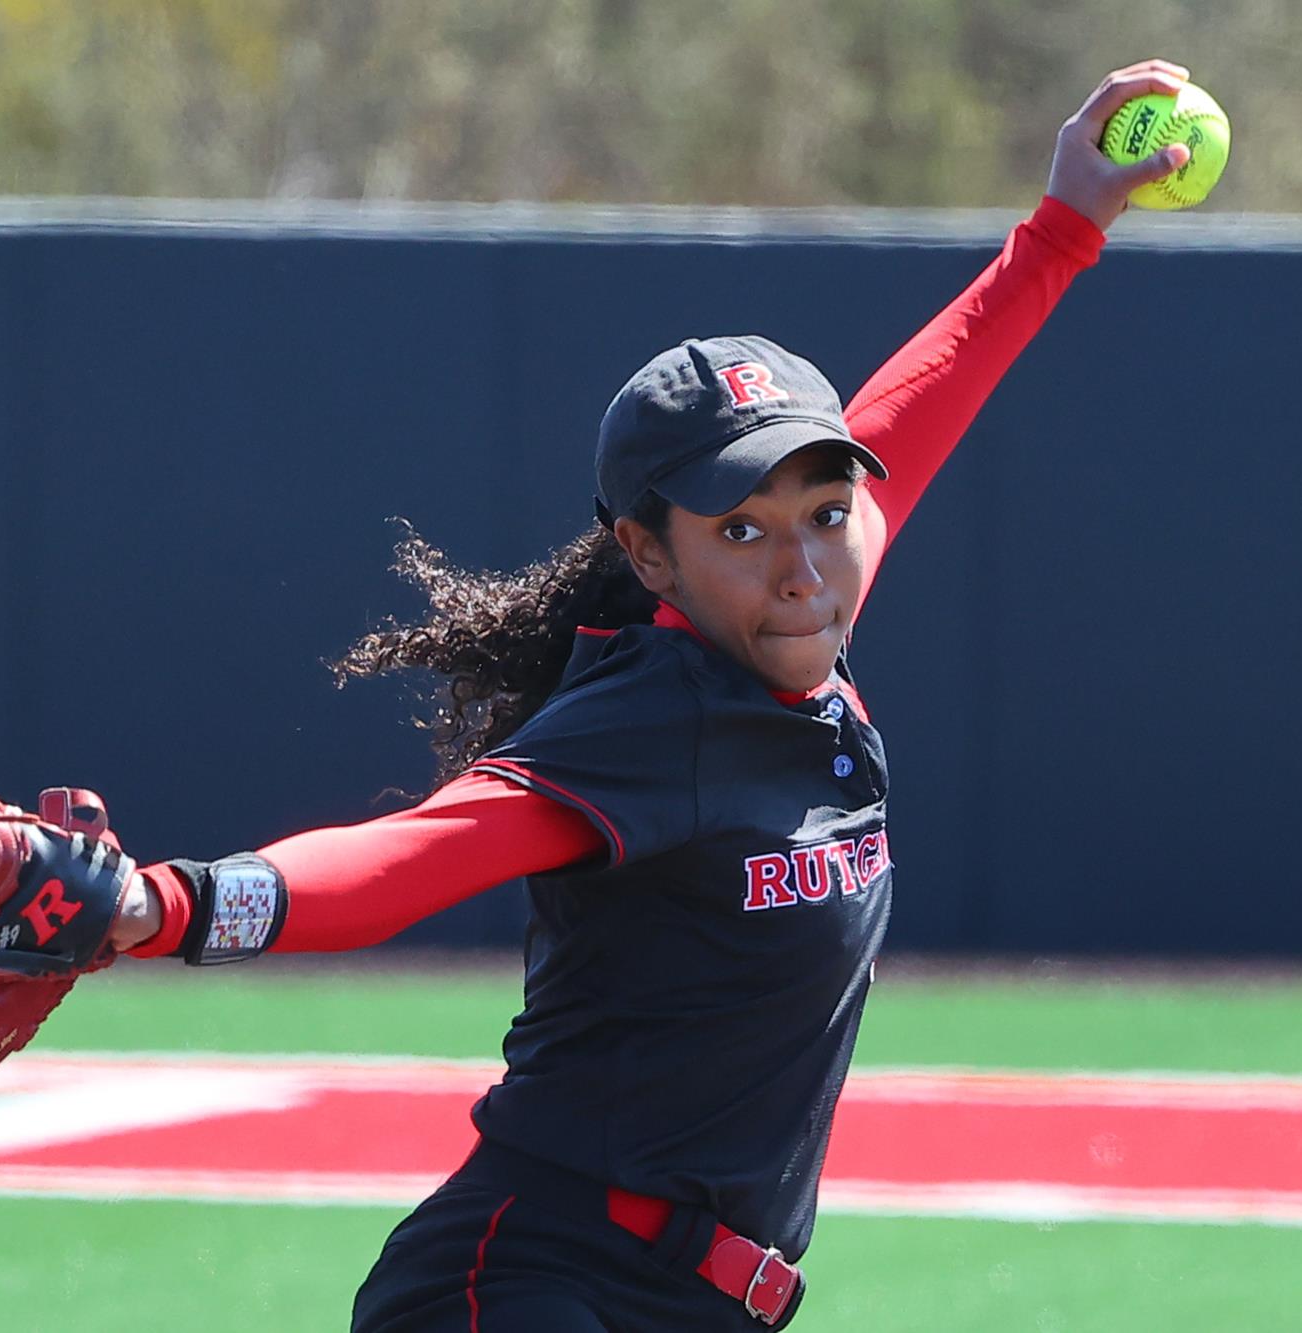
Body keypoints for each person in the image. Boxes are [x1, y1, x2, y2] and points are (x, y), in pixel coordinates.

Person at [104, 59, 1198, 1332]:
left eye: (825, 511)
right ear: (647, 551)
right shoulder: (651, 720)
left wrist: (1063, 228)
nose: (798, 562)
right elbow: (406, 861)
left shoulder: (798, 609)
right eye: (739, 527)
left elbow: (916, 408)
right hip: (532, 1283)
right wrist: (160, 904)